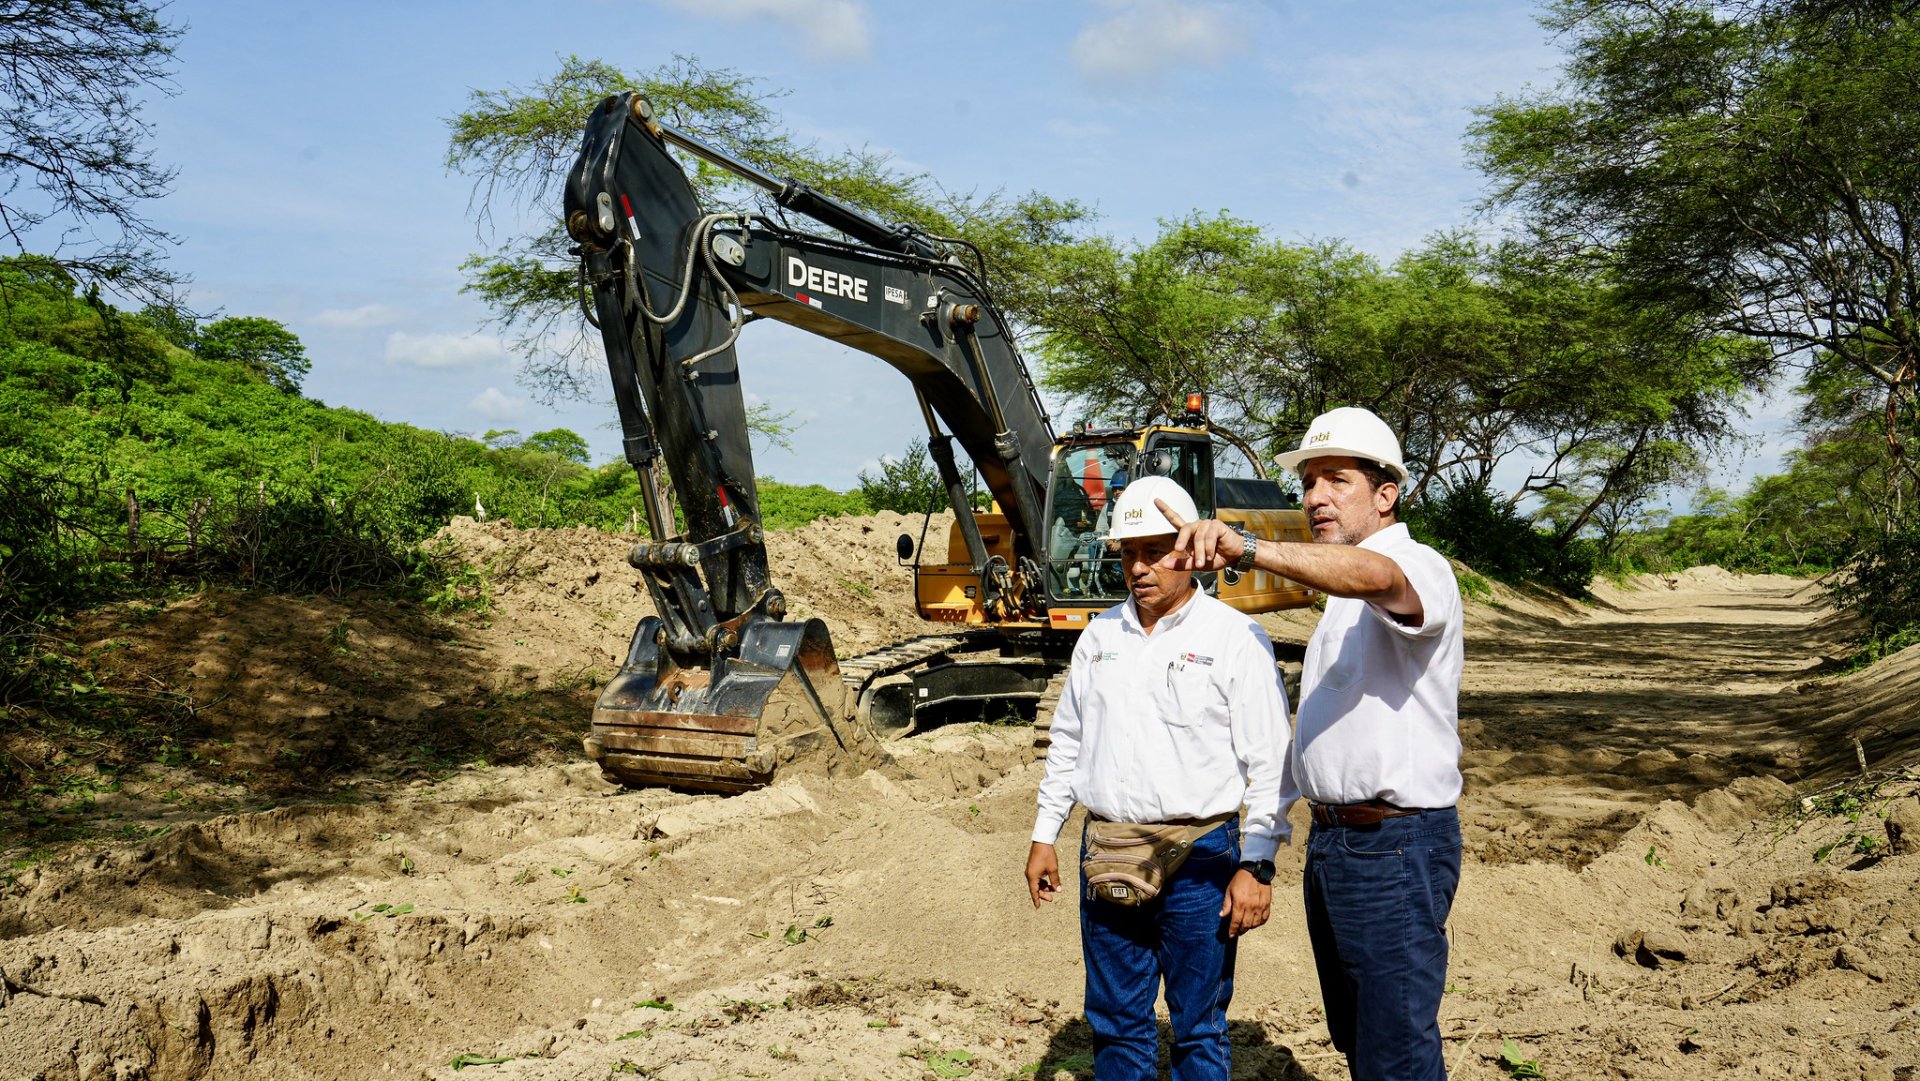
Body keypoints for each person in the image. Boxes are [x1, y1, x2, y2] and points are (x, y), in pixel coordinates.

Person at [1155, 407, 1464, 1081]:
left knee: (1397, 1053)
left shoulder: (1419, 566)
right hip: (1338, 846)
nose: (1315, 497)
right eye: (1308, 482)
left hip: (1395, 845)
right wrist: (1264, 848)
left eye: (1336, 480)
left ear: (1386, 494)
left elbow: (1380, 577)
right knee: (1360, 1040)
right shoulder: (1339, 603)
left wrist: (1249, 548)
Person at [1025, 474, 1294, 1081]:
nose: (1139, 567)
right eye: (1129, 553)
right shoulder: (1099, 637)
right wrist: (1045, 834)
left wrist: (1257, 865)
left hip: (1201, 857)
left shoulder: (1233, 638)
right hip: (1110, 849)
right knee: (1117, 1023)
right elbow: (1068, 742)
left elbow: (1270, 762)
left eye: (1155, 551)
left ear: (1191, 551)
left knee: (1198, 1028)